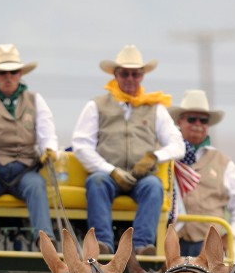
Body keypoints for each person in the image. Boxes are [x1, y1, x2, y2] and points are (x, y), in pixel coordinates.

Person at [72, 45, 184, 255]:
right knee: (96, 182)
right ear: (116, 75)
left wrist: (153, 157)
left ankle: (142, 246)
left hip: (141, 177)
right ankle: (103, 243)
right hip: (107, 176)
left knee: (153, 186)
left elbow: (177, 144)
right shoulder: (96, 105)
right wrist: (109, 170)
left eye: (135, 73)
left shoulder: (155, 108)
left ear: (142, 76)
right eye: (125, 73)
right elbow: (81, 145)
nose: (130, 78)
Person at [0, 43, 58, 247]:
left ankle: (45, 242)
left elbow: (46, 133)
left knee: (36, 186)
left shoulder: (36, 100)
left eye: (13, 72)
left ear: (20, 73)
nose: (8, 77)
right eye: (2, 72)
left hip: (25, 169)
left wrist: (49, 150)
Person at [169, 89, 235, 256]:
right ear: (179, 122)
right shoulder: (167, 156)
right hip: (169, 244)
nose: (198, 124)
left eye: (203, 120)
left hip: (208, 247)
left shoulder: (222, 162)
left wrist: (230, 235)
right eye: (192, 119)